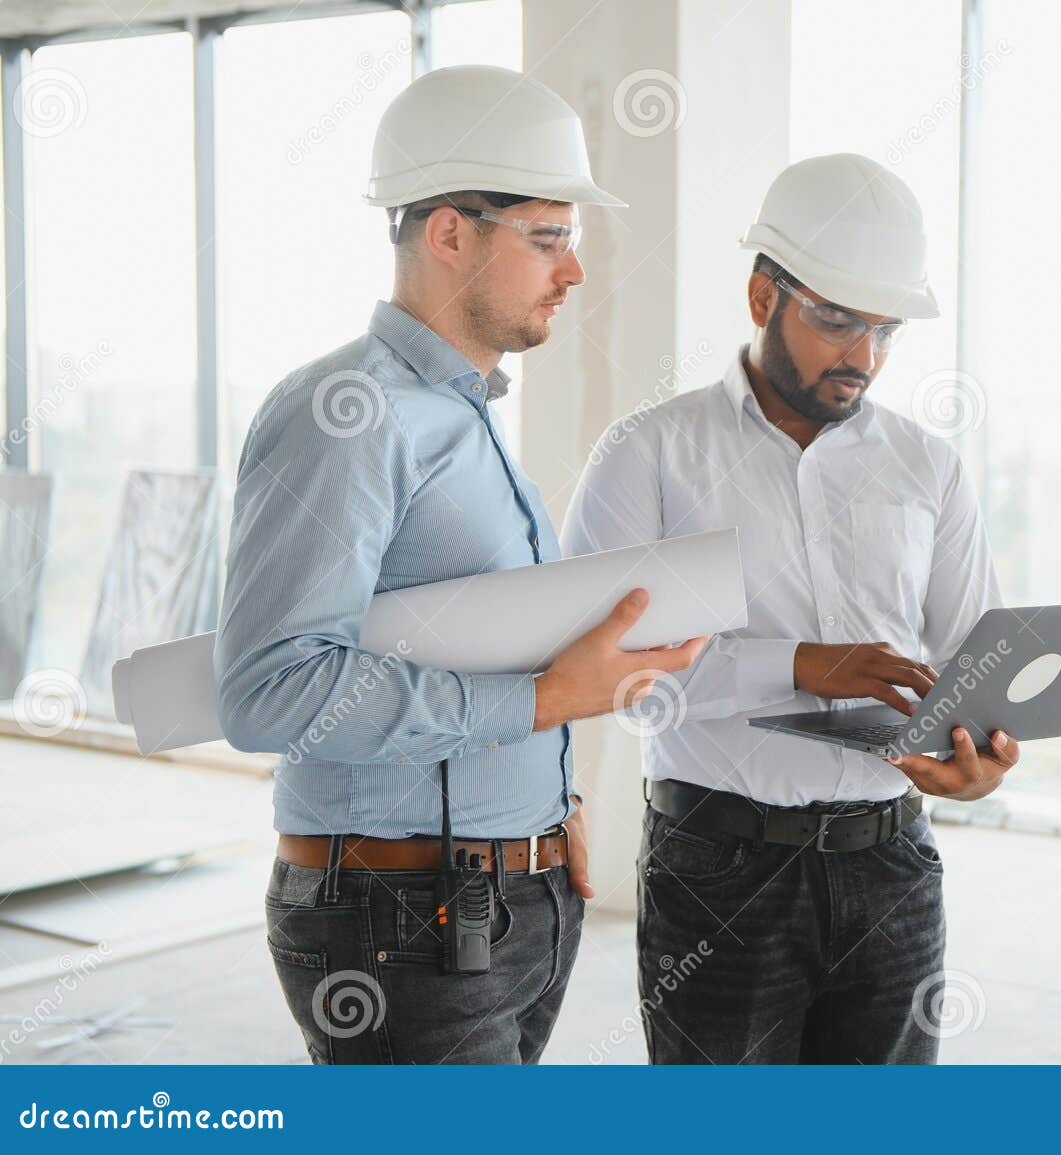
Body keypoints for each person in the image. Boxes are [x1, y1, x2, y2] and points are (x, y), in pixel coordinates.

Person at [214, 65, 705, 1064]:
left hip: (511, 900)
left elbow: (473, 640)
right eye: (549, 238)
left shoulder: (463, 417)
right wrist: (543, 702)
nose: (575, 272)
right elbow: (268, 691)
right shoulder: (348, 416)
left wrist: (548, 810)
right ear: (448, 233)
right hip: (398, 919)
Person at [562, 153, 1020, 1064]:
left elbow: (974, 659)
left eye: (885, 330)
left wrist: (982, 760)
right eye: (837, 321)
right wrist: (803, 664)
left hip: (892, 865)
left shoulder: (929, 468)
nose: (863, 357)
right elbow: (602, 677)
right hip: (720, 869)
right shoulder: (650, 454)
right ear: (762, 296)